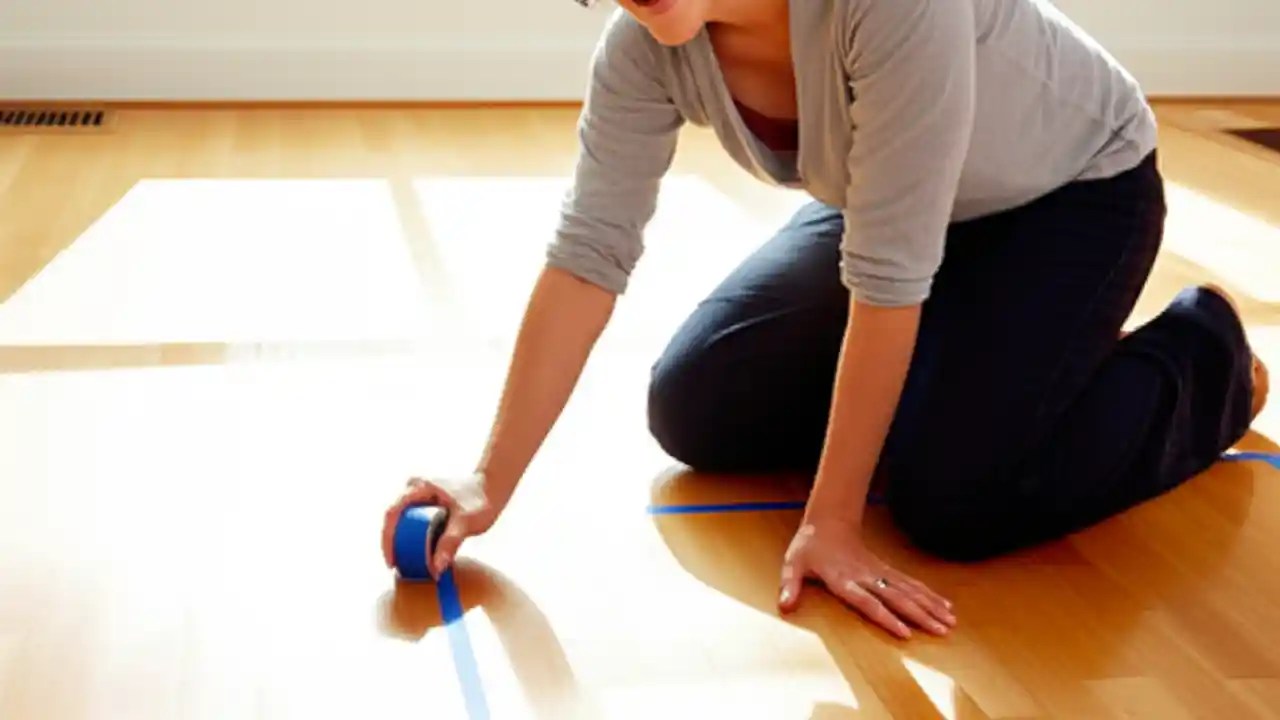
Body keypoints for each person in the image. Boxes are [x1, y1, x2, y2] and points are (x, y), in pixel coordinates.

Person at [381, 0, 1270, 640]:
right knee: (698, 407)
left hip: (1069, 195)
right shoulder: (643, 47)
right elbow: (588, 253)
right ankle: (995, 361)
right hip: (899, 210)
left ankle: (1207, 357)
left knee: (954, 502)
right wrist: (487, 480)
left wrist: (832, 520)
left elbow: (887, 277)